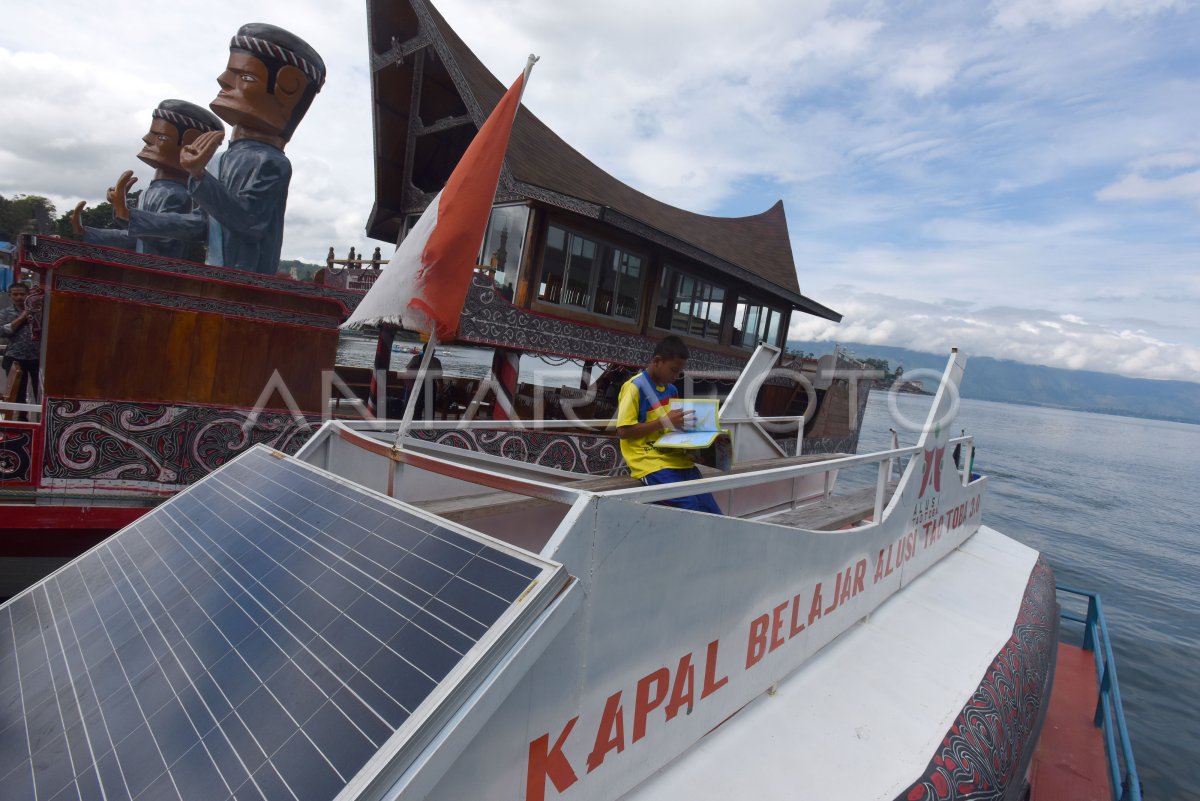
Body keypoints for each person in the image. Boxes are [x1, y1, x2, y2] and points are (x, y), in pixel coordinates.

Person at [127, 23, 326, 274]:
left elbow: (251, 223)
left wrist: (200, 178)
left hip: (247, 282)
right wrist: (134, 217)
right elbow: (204, 224)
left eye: (244, 76)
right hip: (215, 277)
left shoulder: (271, 162)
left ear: (287, 88)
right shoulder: (218, 161)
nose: (222, 79)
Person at [73, 100, 223, 259]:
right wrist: (88, 233)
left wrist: (127, 214)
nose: (147, 139)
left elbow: (165, 239)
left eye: (161, 136)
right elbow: (138, 239)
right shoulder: (150, 192)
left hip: (164, 275)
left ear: (189, 144)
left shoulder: (176, 194)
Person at [616, 335, 722, 514]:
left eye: (679, 372)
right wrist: (665, 421)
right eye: (673, 370)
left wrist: (695, 434)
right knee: (689, 506)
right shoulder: (634, 387)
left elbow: (671, 425)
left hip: (677, 460)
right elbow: (623, 431)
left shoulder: (671, 390)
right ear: (657, 361)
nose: (675, 377)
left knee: (709, 508)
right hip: (649, 462)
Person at [0, 283, 40, 415]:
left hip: (37, 358)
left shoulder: (40, 311)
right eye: (15, 294)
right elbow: (3, 331)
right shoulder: (5, 313)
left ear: (28, 295)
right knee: (18, 395)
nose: (19, 297)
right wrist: (23, 316)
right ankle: (22, 425)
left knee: (39, 392)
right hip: (14, 358)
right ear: (10, 296)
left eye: (22, 294)